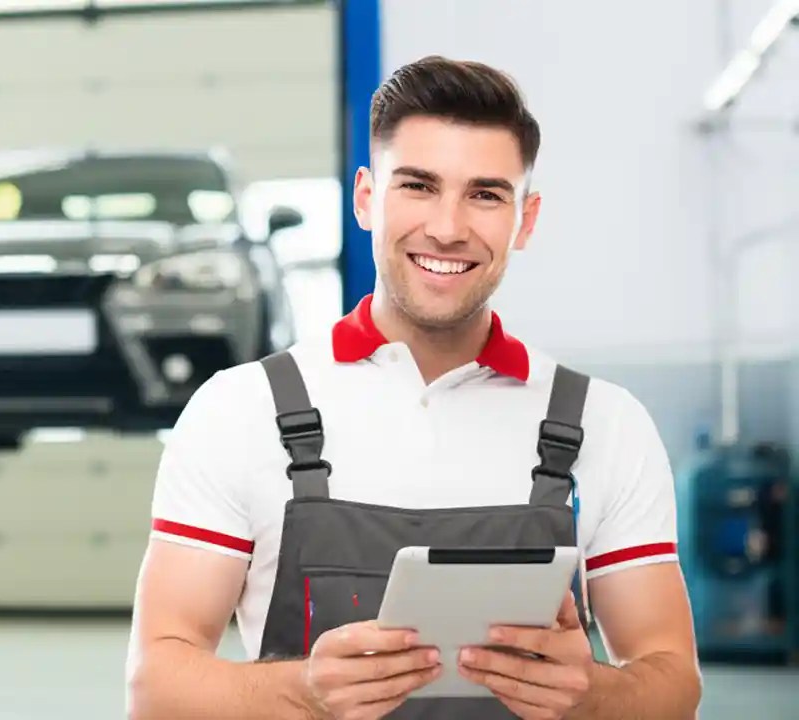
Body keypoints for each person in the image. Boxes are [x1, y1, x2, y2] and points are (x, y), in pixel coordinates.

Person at [124, 55, 701, 720]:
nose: (448, 228)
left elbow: (675, 684)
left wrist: (594, 695)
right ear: (366, 198)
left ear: (526, 219)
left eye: (486, 195)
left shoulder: (606, 424)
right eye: (419, 186)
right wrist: (303, 692)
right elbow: (155, 688)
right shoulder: (238, 412)